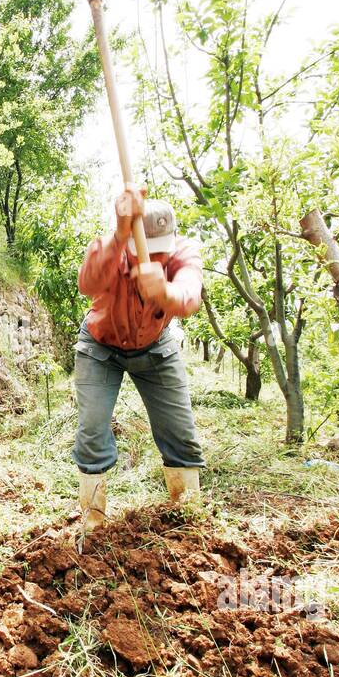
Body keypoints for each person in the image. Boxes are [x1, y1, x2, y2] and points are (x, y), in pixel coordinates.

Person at [73, 184, 205, 533]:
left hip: (157, 346)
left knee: (180, 431)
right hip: (101, 348)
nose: (156, 258)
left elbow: (190, 295)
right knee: (92, 428)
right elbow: (87, 283)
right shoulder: (111, 249)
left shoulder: (184, 252)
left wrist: (164, 291)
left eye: (162, 251)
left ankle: (188, 518)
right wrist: (119, 234)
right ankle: (93, 523)